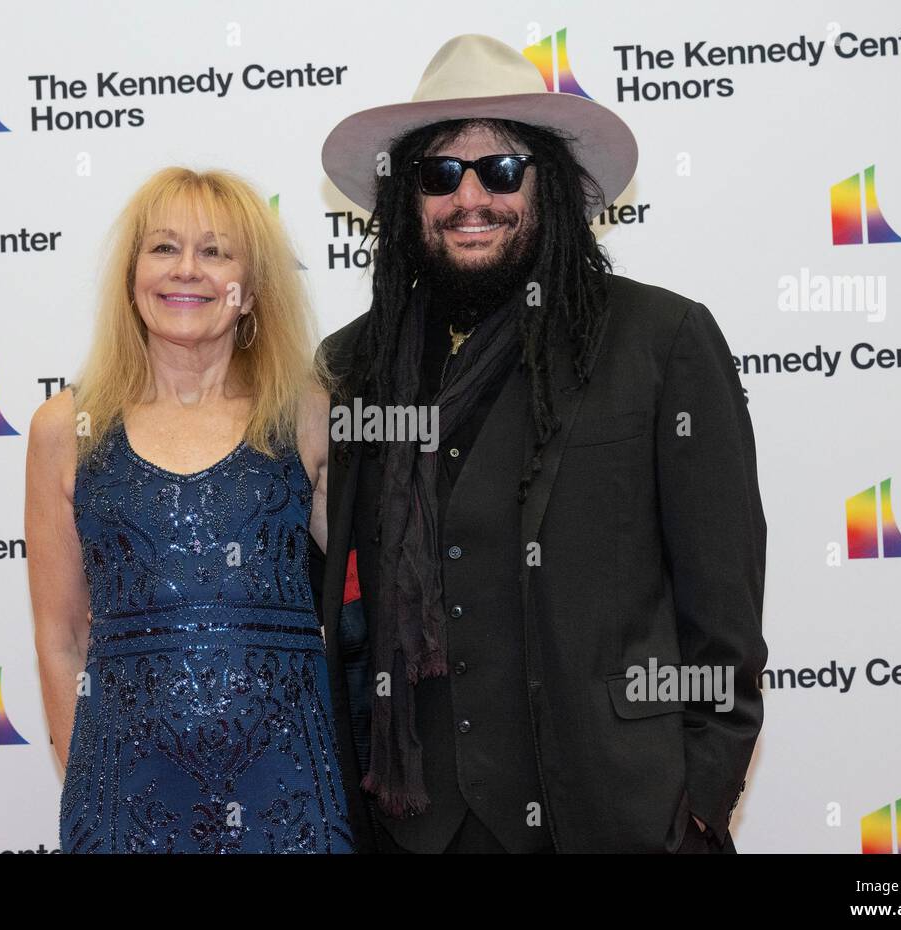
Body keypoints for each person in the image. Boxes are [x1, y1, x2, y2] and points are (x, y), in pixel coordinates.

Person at [315, 34, 768, 853]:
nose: (470, 197)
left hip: (613, 808)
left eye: (502, 169)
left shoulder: (658, 340)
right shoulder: (355, 366)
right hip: (419, 824)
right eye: (440, 173)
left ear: (549, 185)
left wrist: (702, 794)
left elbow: (723, 603)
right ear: (407, 200)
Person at [25, 166, 354, 853]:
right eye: (164, 247)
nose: (187, 271)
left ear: (252, 287)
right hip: (126, 801)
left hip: (292, 794)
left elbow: (368, 597)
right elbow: (60, 639)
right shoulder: (66, 428)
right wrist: (87, 782)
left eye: (215, 252)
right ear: (131, 275)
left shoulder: (309, 416)